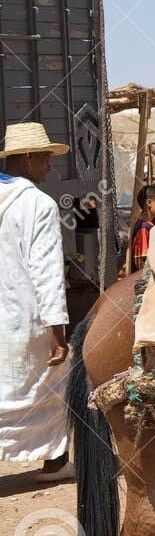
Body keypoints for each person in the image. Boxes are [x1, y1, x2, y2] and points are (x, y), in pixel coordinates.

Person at [0, 122, 72, 477]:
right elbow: (46, 271)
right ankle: (55, 460)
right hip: (22, 319)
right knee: (52, 385)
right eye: (45, 158)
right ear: (27, 159)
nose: (50, 166)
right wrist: (56, 329)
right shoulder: (38, 205)